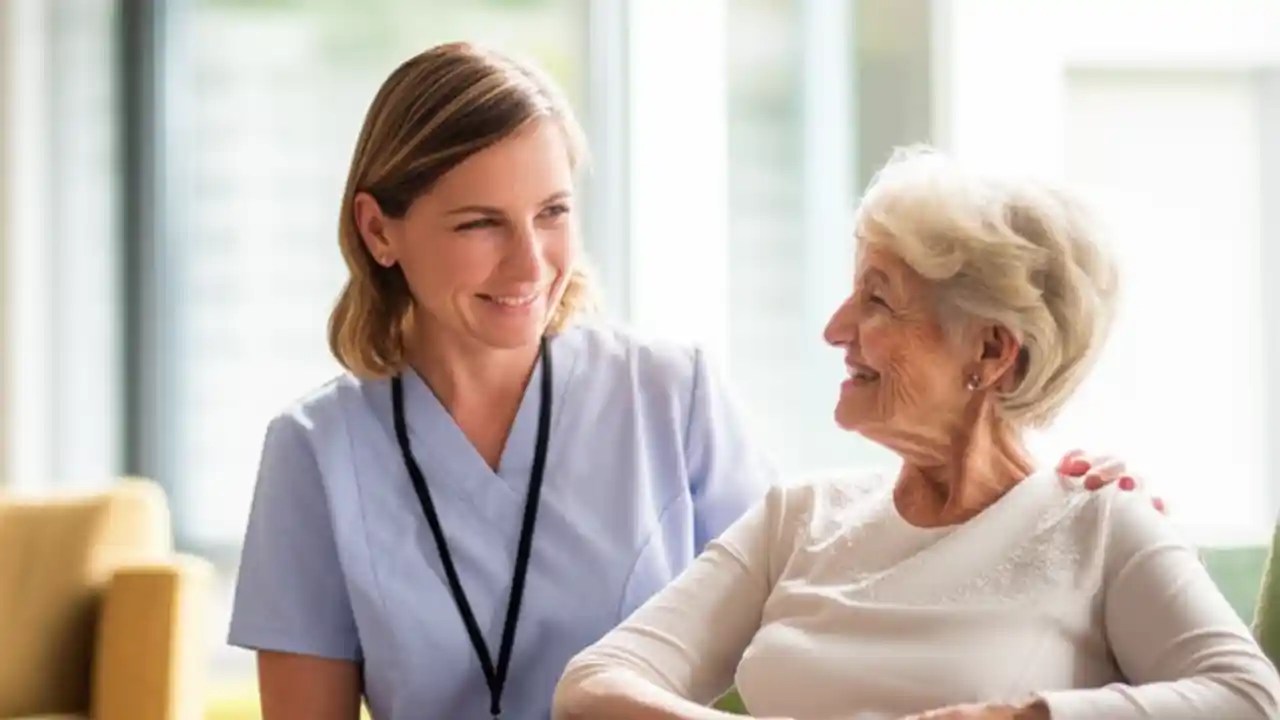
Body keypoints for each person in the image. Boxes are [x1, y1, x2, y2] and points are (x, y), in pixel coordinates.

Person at [227, 44, 1145, 720]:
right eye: (478, 223)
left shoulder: (669, 394)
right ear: (380, 231)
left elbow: (843, 577)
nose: (529, 262)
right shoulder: (315, 453)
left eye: (552, 212)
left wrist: (1044, 495)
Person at [552, 148, 1280, 720]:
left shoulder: (1101, 522)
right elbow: (590, 688)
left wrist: (1022, 718)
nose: (836, 329)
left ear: (993, 352)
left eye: (878, 299)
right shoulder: (798, 517)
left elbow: (1249, 700)